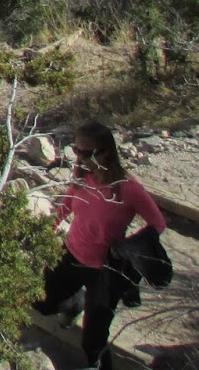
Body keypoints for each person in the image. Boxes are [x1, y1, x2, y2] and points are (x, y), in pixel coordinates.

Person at [35, 121, 166, 370]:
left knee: (94, 338)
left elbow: (158, 224)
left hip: (106, 270)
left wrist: (128, 248)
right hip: (72, 254)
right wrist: (44, 232)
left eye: (87, 153)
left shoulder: (129, 189)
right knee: (43, 302)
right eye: (77, 151)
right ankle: (75, 304)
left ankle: (95, 364)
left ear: (106, 152)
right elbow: (66, 205)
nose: (80, 158)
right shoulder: (82, 177)